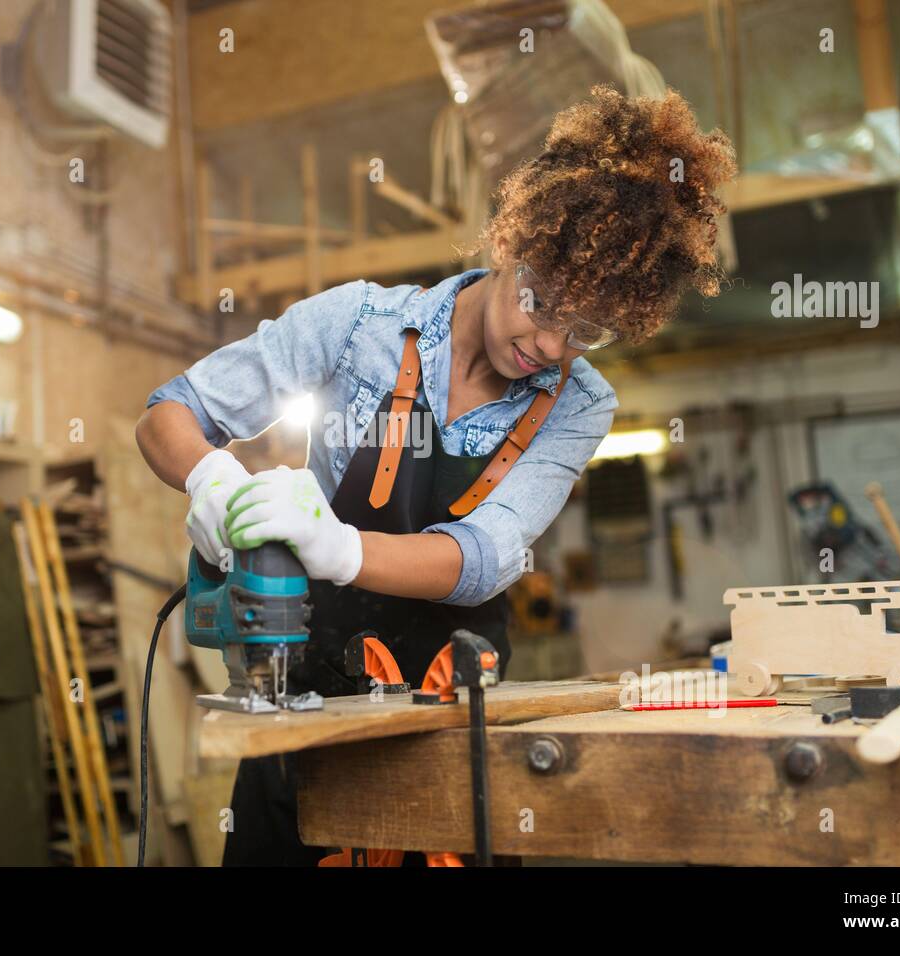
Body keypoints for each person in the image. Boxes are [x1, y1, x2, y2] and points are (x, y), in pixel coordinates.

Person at [136, 85, 736, 865]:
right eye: (542, 302)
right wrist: (212, 479)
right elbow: (170, 412)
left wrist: (339, 549)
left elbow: (487, 555)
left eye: (588, 330)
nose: (551, 345)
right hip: (305, 711)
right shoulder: (358, 324)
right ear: (509, 243)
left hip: (454, 732)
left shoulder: (580, 404)